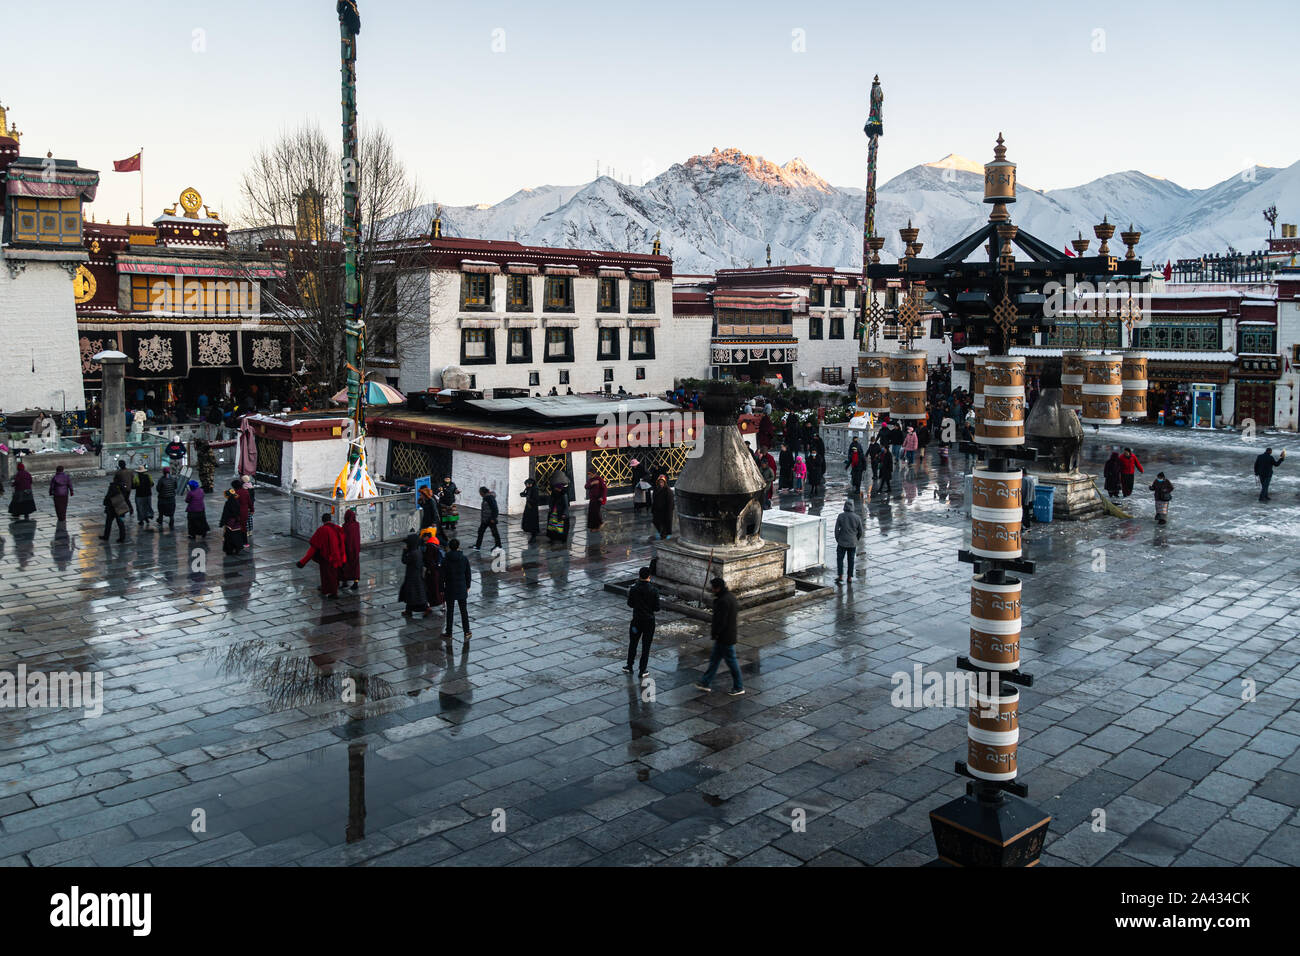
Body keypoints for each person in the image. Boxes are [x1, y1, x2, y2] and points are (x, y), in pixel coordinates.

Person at [694, 577, 744, 696]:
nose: (711, 589)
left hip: (724, 637)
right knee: (714, 660)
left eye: (713, 587)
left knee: (731, 662)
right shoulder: (730, 597)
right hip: (727, 635)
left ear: (717, 588)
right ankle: (705, 682)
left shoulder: (722, 601)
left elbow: (721, 621)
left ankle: (739, 686)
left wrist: (715, 633)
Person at [297, 512, 347, 597]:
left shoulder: (322, 530)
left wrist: (303, 562)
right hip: (338, 555)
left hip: (328, 557)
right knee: (334, 574)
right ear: (330, 519)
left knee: (328, 575)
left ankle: (333, 593)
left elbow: (314, 548)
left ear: (322, 520)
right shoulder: (337, 528)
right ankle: (328, 588)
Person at [624, 566, 661, 678]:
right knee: (646, 646)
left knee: (633, 643)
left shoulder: (634, 589)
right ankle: (642, 670)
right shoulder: (654, 590)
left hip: (636, 621)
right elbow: (657, 608)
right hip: (649, 622)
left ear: (639, 575)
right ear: (649, 576)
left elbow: (630, 604)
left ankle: (629, 666)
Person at [441, 538, 473, 645]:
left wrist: (442, 589)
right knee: (463, 610)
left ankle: (449, 632)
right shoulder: (464, 559)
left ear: (449, 547)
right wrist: (468, 586)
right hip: (461, 587)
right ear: (458, 546)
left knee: (450, 611)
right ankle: (467, 631)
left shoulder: (445, 560)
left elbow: (442, 577)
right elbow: (468, 574)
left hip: (450, 588)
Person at [398, 533, 432, 616]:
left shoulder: (413, 553)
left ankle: (425, 608)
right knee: (412, 594)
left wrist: (404, 551)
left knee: (414, 594)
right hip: (415, 576)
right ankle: (408, 610)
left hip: (413, 577)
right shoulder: (418, 551)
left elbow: (404, 560)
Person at [834, 499, 864, 583]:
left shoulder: (841, 516)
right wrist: (856, 539)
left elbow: (836, 529)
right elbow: (860, 531)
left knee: (840, 559)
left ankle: (840, 576)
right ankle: (849, 577)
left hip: (842, 542)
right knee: (851, 560)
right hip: (852, 543)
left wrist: (838, 539)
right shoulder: (857, 517)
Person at [420, 527, 444, 605]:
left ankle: (434, 602)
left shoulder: (429, 546)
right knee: (438, 587)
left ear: (427, 537)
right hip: (438, 569)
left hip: (432, 571)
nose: (423, 539)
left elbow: (429, 560)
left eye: (424, 537)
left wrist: (430, 570)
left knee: (432, 587)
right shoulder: (435, 543)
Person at [220, 487, 246, 555]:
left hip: (230, 522)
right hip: (237, 522)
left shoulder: (228, 503)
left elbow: (225, 513)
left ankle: (229, 549)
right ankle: (238, 548)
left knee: (229, 537)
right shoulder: (237, 501)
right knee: (237, 536)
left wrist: (222, 522)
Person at [341, 509, 361, 589]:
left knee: (345, 565)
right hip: (356, 549)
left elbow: (344, 538)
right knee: (355, 566)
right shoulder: (357, 524)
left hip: (347, 549)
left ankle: (344, 581)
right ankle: (355, 583)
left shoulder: (345, 526)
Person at [650, 474, 673, 539]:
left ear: (664, 483)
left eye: (662, 482)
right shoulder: (656, 490)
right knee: (656, 522)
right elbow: (654, 500)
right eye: (659, 482)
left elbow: (670, 503)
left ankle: (663, 535)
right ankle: (662, 532)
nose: (660, 484)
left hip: (665, 511)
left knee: (664, 524)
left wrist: (669, 512)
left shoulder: (668, 491)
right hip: (657, 511)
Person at [240, 475, 256, 545]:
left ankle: (246, 531)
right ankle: (250, 531)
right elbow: (253, 497)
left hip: (246, 506)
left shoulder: (244, 487)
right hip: (251, 504)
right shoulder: (251, 487)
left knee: (245, 519)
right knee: (250, 518)